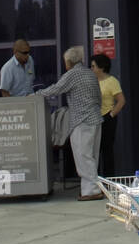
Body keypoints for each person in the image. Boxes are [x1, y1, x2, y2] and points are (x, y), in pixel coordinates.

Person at [36, 46, 103, 200]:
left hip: (81, 120)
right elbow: (99, 97)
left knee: (83, 156)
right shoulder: (90, 74)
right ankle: (92, 188)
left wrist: (36, 95)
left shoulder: (72, 74)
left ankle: (91, 191)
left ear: (69, 61)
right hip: (96, 119)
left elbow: (56, 89)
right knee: (92, 156)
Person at [93, 53, 125, 177]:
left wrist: (111, 115)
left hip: (107, 118)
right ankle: (95, 181)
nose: (91, 69)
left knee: (107, 150)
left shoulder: (112, 81)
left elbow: (121, 100)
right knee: (94, 150)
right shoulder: (92, 81)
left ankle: (109, 180)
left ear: (101, 67)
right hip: (94, 118)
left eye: (93, 66)